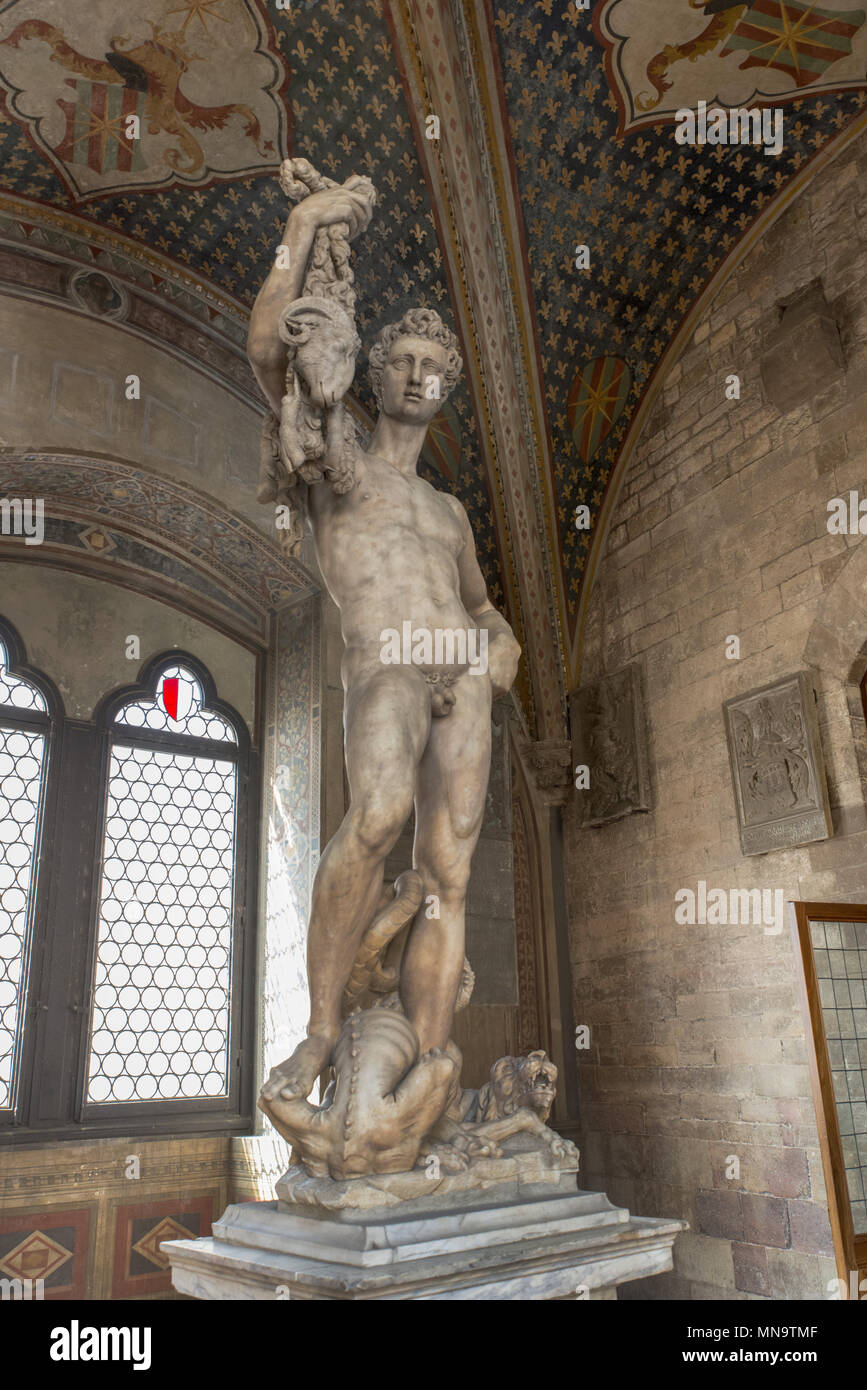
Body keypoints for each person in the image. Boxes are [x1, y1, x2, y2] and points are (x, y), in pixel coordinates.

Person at [247, 178, 521, 1103]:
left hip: (461, 673)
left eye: (432, 368)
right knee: (376, 816)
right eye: (400, 360)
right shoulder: (342, 461)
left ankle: (432, 1060)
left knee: (448, 870)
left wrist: (500, 644)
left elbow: (482, 607)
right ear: (375, 370)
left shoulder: (449, 509)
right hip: (387, 663)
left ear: (445, 388)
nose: (415, 376)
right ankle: (324, 1030)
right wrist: (301, 227)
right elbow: (269, 355)